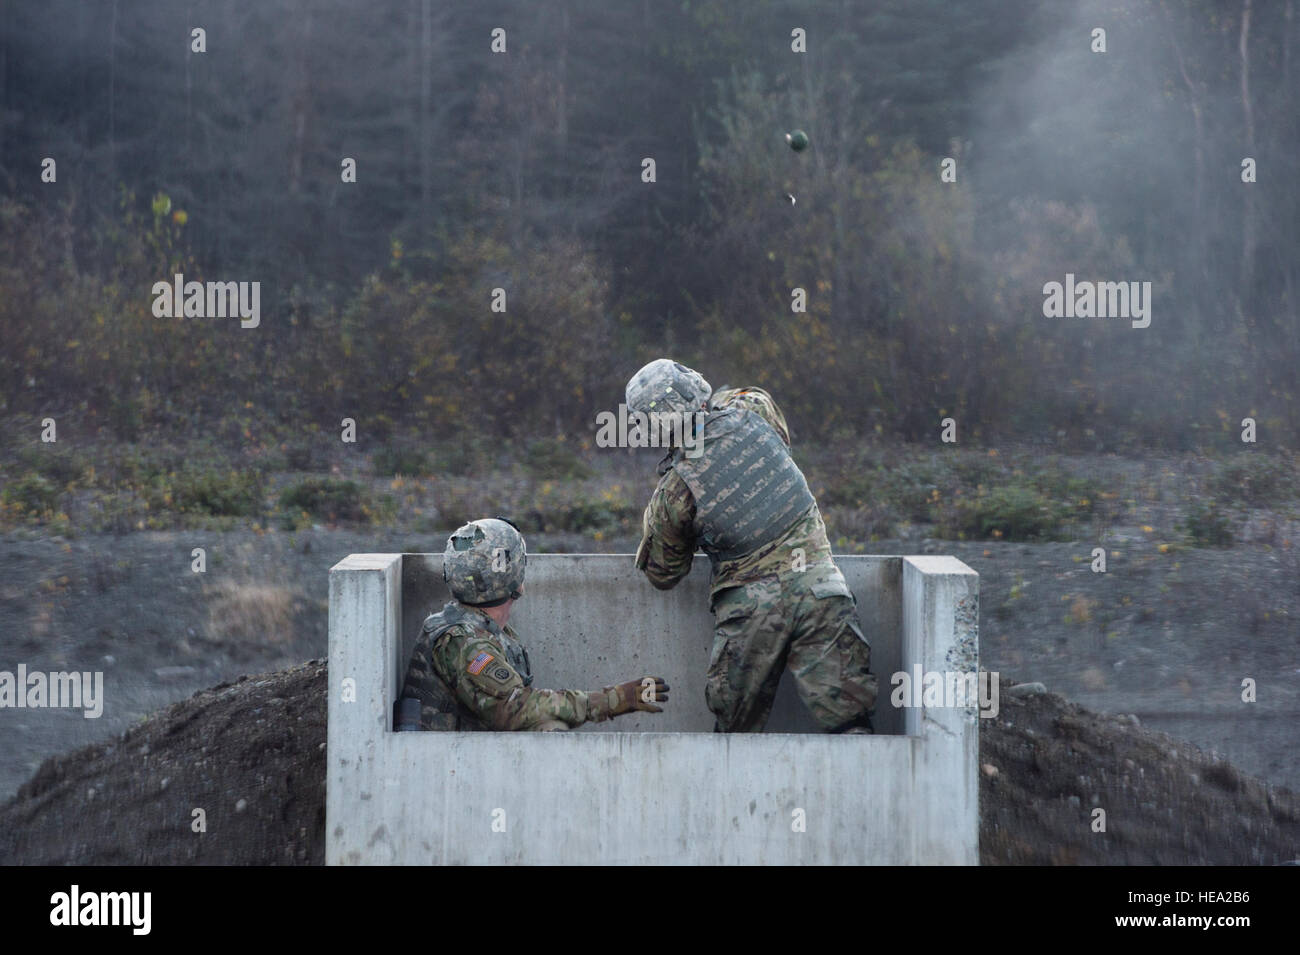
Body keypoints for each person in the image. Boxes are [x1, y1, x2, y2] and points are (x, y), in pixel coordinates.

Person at [625, 358, 876, 733]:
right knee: (853, 724)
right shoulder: (754, 411)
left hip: (753, 620)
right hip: (823, 592)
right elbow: (757, 411)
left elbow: (663, 574)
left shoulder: (675, 492)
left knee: (734, 740)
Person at [400, 517, 669, 731]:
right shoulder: (466, 643)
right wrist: (612, 701)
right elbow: (517, 708)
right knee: (550, 727)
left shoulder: (473, 627)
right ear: (514, 577)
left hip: (457, 764)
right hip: (446, 774)